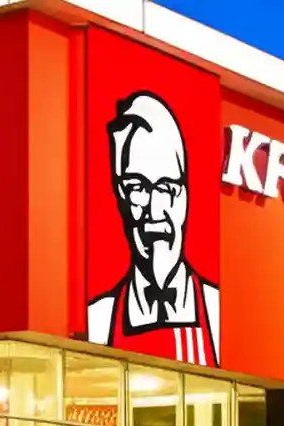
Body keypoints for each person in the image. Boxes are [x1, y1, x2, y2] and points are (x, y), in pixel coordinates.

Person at [87, 91, 220, 368]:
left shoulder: (217, 311)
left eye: (166, 187)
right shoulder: (99, 320)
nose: (154, 210)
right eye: (137, 188)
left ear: (184, 196)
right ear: (120, 197)